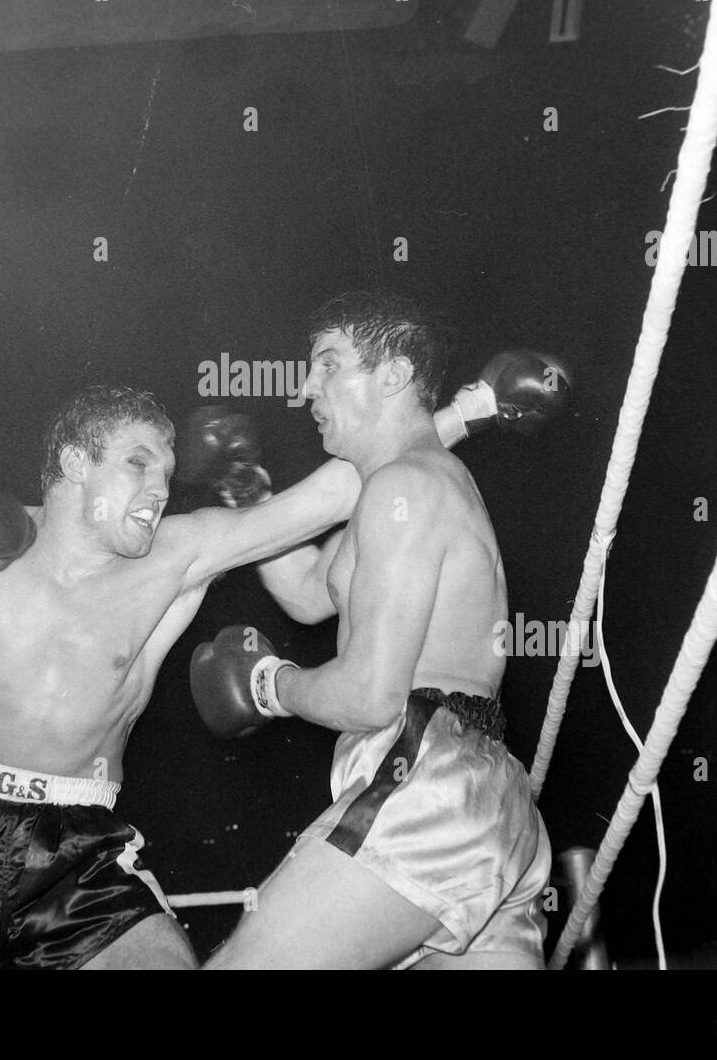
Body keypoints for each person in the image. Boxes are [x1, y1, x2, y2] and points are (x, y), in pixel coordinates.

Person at [0, 383, 477, 970]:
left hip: (76, 846)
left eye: (166, 472)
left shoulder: (174, 555)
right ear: (76, 463)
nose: (159, 488)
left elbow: (332, 494)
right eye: (138, 462)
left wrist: (470, 409)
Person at [191, 291, 568, 969]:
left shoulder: (403, 488)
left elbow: (370, 695)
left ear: (392, 374)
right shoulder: (409, 487)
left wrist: (268, 683)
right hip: (488, 802)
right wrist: (247, 492)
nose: (306, 388)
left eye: (328, 364)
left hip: (424, 778)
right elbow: (310, 594)